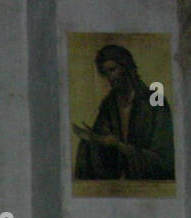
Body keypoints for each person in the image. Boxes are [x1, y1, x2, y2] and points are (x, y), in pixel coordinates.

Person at [73, 44, 174, 181]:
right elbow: (102, 150)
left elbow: (163, 159)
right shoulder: (109, 105)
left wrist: (119, 145)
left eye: (112, 70)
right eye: (105, 73)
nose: (110, 78)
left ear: (126, 67)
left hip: (148, 184)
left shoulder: (154, 100)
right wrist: (94, 139)